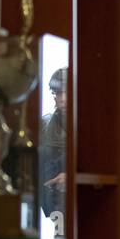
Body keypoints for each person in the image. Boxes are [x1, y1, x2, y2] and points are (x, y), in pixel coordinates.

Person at [39, 67, 67, 218]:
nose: (62, 98)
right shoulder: (43, 124)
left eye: (66, 92)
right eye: (58, 93)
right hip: (48, 206)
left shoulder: (89, 128)